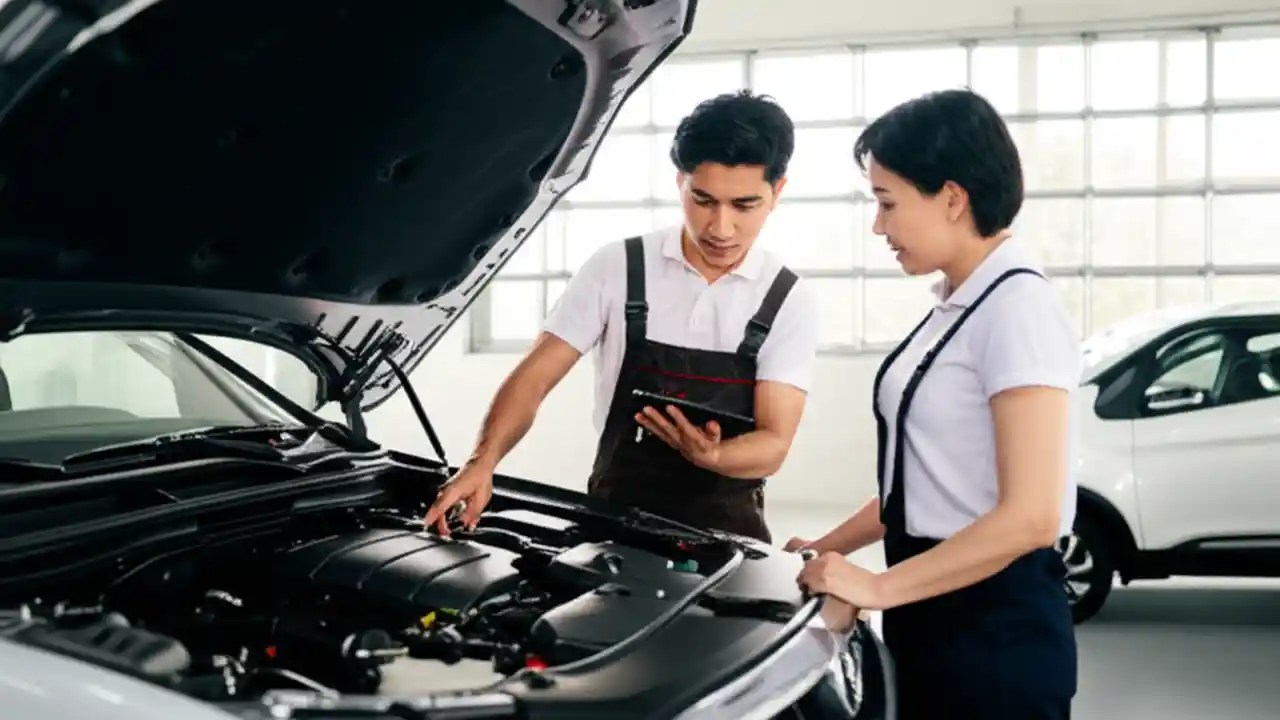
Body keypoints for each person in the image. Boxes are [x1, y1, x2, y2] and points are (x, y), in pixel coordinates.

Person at [791, 89, 1080, 719]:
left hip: (994, 628)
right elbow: (925, 478)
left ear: (952, 197)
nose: (879, 226)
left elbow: (1032, 515)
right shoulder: (959, 304)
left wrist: (877, 588)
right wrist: (822, 547)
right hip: (934, 606)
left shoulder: (1017, 307)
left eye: (887, 202)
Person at [423, 90, 819, 544]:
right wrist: (482, 462)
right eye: (703, 199)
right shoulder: (619, 267)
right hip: (612, 521)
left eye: (744, 205)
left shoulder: (787, 298)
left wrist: (711, 455)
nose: (720, 227)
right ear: (679, 184)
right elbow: (534, 376)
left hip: (728, 536)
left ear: (777, 193)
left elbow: (774, 444)